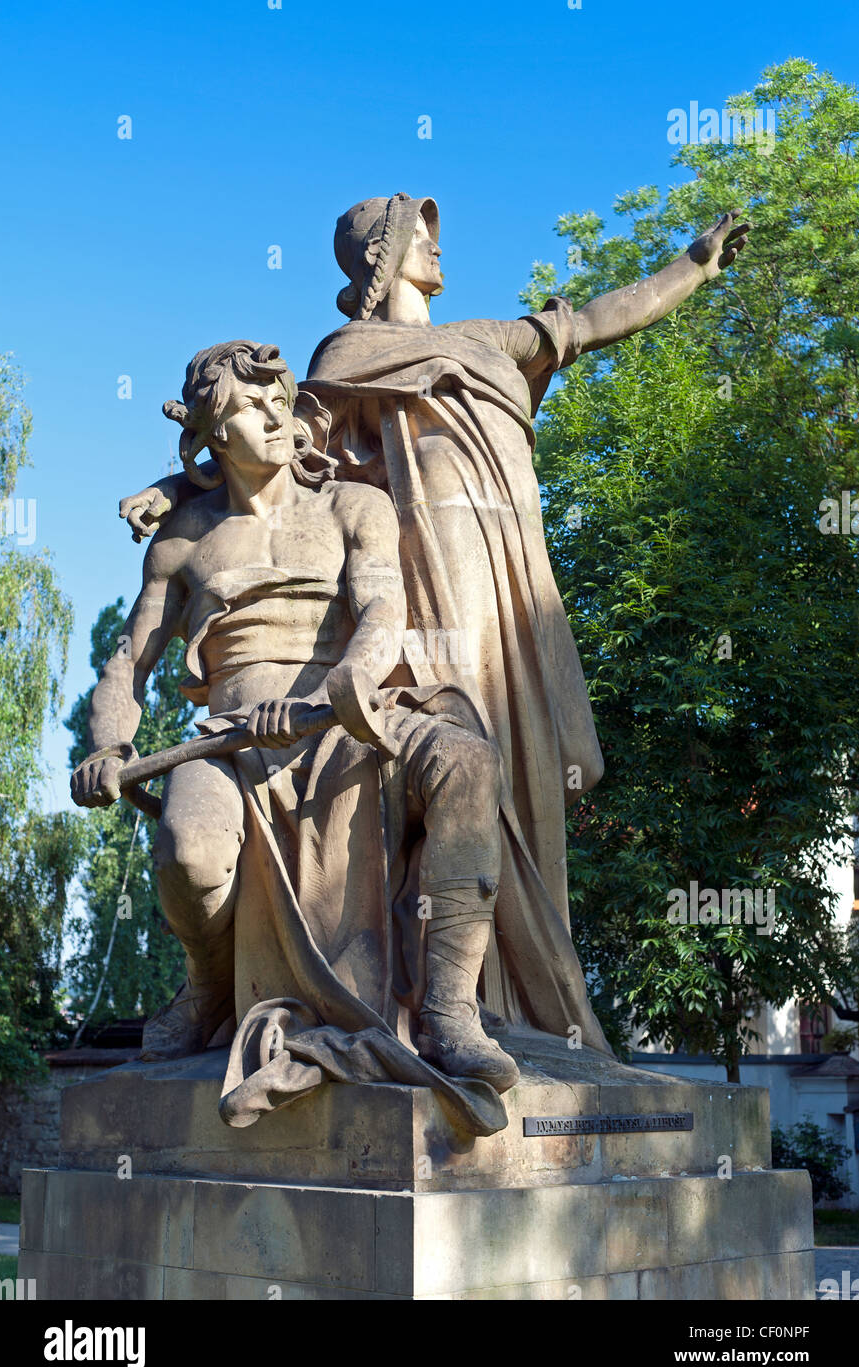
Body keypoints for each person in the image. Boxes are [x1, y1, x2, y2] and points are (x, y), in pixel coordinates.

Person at [118, 196, 748, 1042]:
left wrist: (692, 266)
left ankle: (509, 1001)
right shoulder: (345, 357)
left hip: (503, 580)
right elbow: (271, 452)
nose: (438, 250)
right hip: (415, 580)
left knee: (508, 765)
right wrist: (175, 488)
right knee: (429, 750)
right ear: (381, 257)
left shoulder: (484, 340)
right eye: (421, 236)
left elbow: (594, 323)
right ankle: (439, 998)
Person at [72, 340, 524, 1136]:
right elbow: (127, 663)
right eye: (250, 407)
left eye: (278, 398)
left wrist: (342, 685)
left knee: (465, 761)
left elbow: (381, 609)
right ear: (212, 433)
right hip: (227, 738)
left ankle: (452, 1010)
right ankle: (206, 984)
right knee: (187, 852)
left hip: (344, 717)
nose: (275, 417)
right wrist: (108, 746)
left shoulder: (353, 506)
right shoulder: (180, 541)